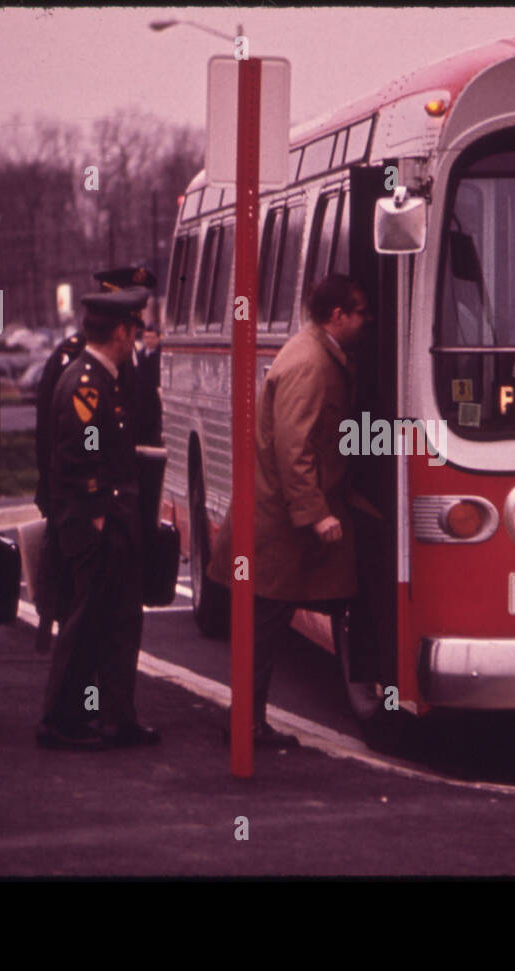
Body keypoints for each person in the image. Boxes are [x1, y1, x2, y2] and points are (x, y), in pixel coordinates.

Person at [208, 273, 372, 748]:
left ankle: (249, 724)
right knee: (263, 628)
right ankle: (247, 728)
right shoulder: (311, 364)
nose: (368, 320)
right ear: (337, 316)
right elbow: (293, 447)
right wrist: (315, 512)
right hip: (279, 525)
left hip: (280, 520)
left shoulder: (314, 353)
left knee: (266, 626)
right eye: (360, 311)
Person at [38, 287, 159, 751]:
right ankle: (59, 720)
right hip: (95, 522)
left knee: (120, 622)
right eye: (135, 331)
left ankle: (117, 717)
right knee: (85, 622)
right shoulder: (86, 385)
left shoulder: (104, 379)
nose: (137, 341)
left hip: (113, 520)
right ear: (122, 332)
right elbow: (78, 461)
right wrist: (97, 518)